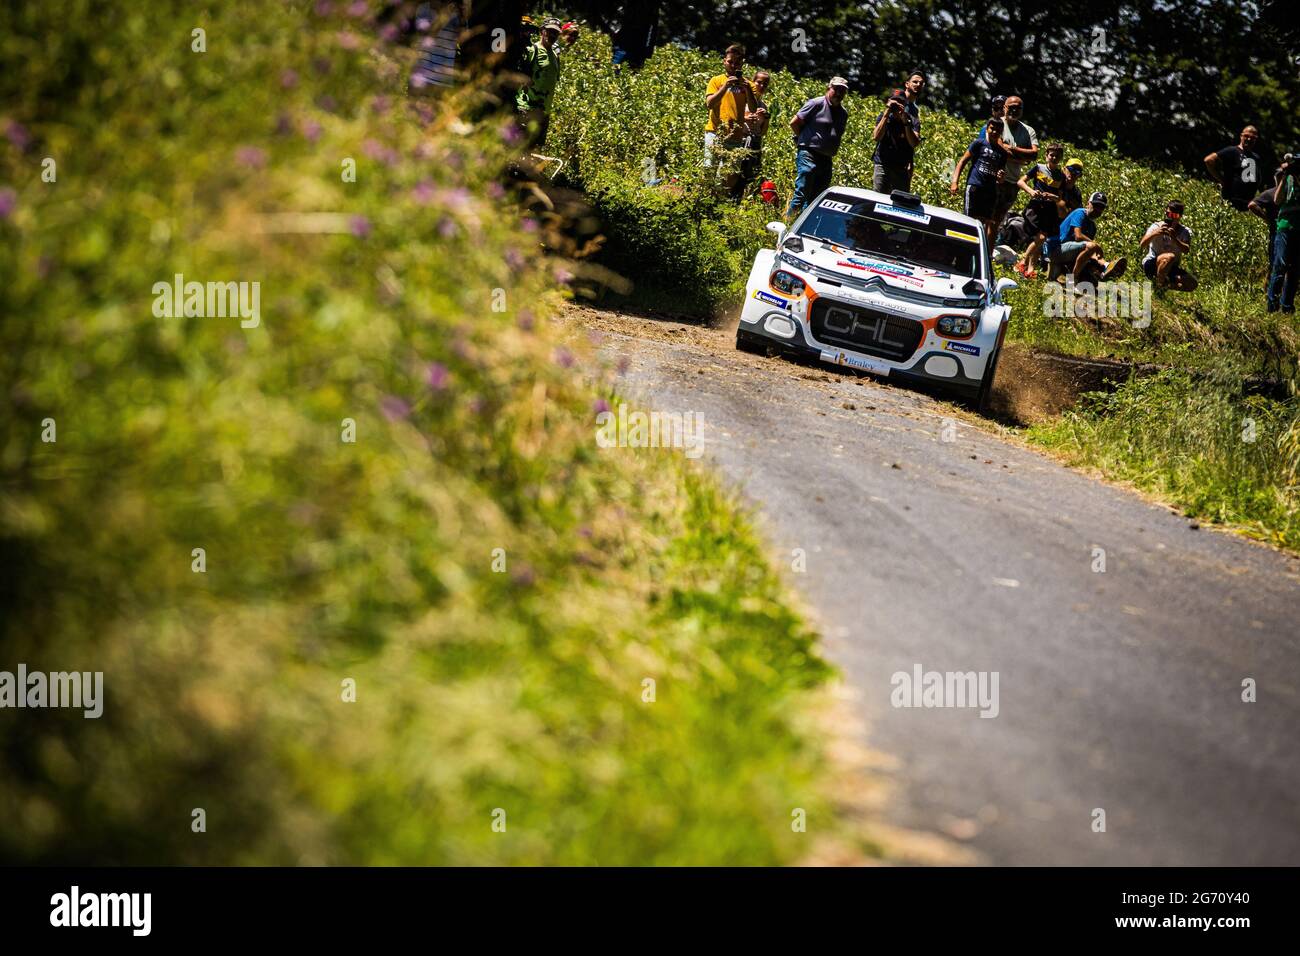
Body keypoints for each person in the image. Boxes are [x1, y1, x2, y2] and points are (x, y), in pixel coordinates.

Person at [785, 77, 850, 220]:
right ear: (829, 88)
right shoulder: (816, 103)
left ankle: (802, 225)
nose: (838, 94)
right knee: (803, 190)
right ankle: (788, 222)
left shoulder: (843, 113)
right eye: (836, 90)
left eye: (842, 91)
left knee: (818, 197)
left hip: (826, 158)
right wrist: (804, 139)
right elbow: (795, 122)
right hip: (809, 152)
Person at [704, 44, 757, 197]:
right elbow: (710, 103)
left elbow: (753, 109)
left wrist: (747, 89)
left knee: (728, 174)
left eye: (737, 63)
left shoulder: (749, 84)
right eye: (730, 62)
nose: (733, 66)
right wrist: (725, 86)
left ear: (742, 64)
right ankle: (706, 200)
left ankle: (719, 203)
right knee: (709, 169)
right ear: (724, 62)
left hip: (735, 135)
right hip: (714, 132)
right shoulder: (716, 80)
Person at [1043, 191, 1127, 284]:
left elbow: (1088, 250)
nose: (1098, 210)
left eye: (1101, 207)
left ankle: (1105, 267)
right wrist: (1097, 246)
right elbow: (1078, 236)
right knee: (1091, 246)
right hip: (1056, 249)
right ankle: (1072, 280)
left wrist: (1099, 260)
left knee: (1092, 258)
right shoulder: (1080, 213)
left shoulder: (1092, 227)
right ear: (1088, 204)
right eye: (1096, 205)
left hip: (1069, 254)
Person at [983, 94, 1039, 225]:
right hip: (993, 177)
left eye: (1018, 108)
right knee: (984, 216)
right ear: (1005, 107)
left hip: (1012, 183)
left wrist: (1011, 149)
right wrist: (1021, 157)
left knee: (996, 221)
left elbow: (1034, 154)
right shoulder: (996, 124)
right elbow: (998, 149)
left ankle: (989, 246)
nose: (1014, 110)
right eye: (1011, 107)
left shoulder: (1029, 131)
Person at [951, 117, 1011, 238]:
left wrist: (1001, 177)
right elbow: (962, 162)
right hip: (974, 186)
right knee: (968, 219)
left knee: (982, 222)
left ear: (1001, 132)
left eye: (998, 130)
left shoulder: (1002, 153)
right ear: (987, 128)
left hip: (990, 190)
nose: (994, 132)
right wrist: (954, 182)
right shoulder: (978, 143)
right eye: (992, 128)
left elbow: (1001, 176)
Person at [1014, 144, 1067, 278]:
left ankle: (1030, 269)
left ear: (1061, 158)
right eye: (1051, 155)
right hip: (1036, 207)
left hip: (1050, 210)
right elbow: (1020, 182)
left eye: (1057, 156)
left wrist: (1053, 197)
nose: (1054, 158)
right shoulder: (1038, 168)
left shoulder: (1061, 176)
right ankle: (1022, 261)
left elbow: (1060, 198)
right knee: (1041, 238)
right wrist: (1031, 191)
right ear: (1046, 155)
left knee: (1041, 239)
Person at [872, 70, 925, 192]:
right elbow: (876, 137)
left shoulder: (913, 115)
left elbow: (913, 143)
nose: (918, 85)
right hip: (883, 163)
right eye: (915, 82)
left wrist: (905, 120)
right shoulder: (884, 116)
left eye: (921, 83)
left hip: (901, 165)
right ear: (907, 84)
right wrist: (887, 113)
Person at [515, 17, 563, 145]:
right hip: (527, 109)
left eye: (556, 33)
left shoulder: (555, 56)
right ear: (542, 31)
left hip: (544, 114)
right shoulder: (531, 50)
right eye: (550, 31)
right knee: (520, 150)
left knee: (535, 154)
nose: (553, 35)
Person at [1138, 200, 1197, 291]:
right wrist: (1155, 233)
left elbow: (1186, 250)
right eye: (1168, 214)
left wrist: (1174, 238)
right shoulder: (1156, 226)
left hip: (1171, 267)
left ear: (1180, 216)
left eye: (1174, 216)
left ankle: (1164, 285)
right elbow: (1142, 244)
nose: (1171, 218)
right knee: (1170, 256)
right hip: (1152, 263)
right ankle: (1159, 285)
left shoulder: (1184, 231)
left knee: (1192, 283)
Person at [1204, 125, 1263, 212]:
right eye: (1246, 136)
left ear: (1256, 139)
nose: (1249, 139)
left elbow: (1257, 178)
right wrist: (1221, 180)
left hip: (1247, 204)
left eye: (1252, 137)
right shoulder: (1232, 151)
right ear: (1241, 136)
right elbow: (1208, 160)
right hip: (1231, 201)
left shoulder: (1256, 157)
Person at [1267, 151, 1299, 313]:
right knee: (1280, 265)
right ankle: (1272, 306)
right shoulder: (1288, 178)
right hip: (1285, 226)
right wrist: (1285, 175)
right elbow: (1277, 200)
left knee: (1294, 270)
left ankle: (1287, 307)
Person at [738, 71, 773, 199]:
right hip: (742, 139)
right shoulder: (743, 99)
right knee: (739, 171)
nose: (762, 86)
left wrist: (766, 117)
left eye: (765, 84)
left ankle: (745, 199)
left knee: (752, 173)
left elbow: (763, 132)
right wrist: (747, 118)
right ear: (753, 82)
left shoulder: (764, 105)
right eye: (759, 82)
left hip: (756, 141)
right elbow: (732, 118)